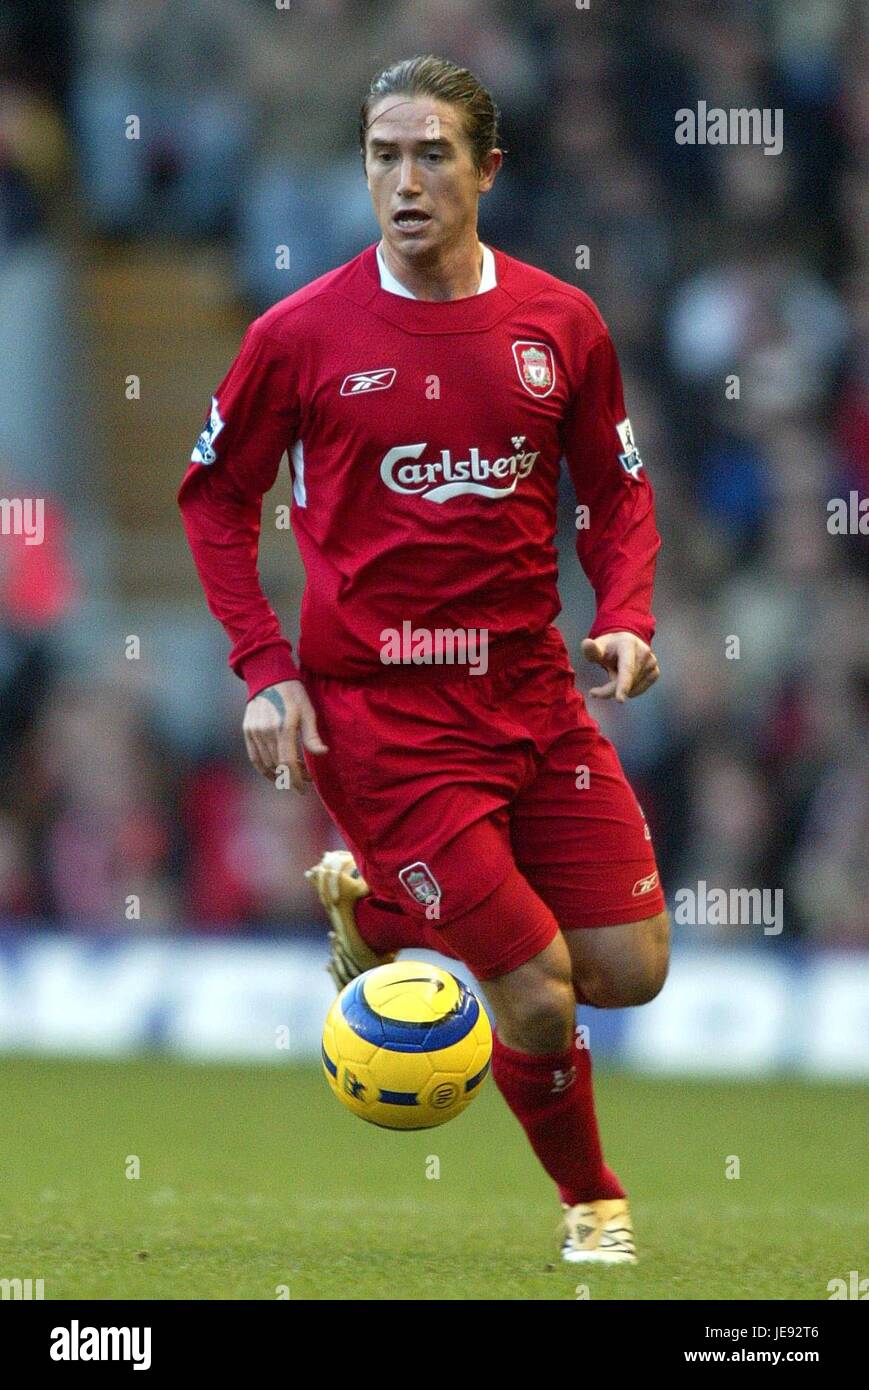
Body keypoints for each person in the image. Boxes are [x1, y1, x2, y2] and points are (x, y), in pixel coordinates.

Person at [178, 55, 669, 1265]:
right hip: (384, 721)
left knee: (626, 971)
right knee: (541, 991)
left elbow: (616, 491)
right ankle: (593, 1207)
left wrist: (628, 613)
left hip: (534, 696)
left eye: (431, 153)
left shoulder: (560, 324)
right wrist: (263, 667)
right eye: (383, 155)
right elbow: (211, 502)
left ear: (485, 169)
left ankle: (383, 907)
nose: (404, 179)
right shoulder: (299, 336)